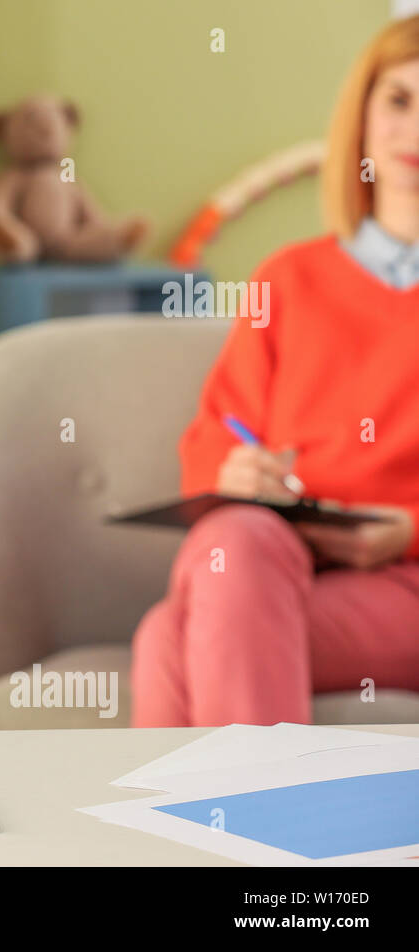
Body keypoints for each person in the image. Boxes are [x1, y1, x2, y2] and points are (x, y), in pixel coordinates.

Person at [130, 15, 419, 728]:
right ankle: (253, 821)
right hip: (276, 564)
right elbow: (215, 440)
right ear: (362, 117)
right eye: (400, 100)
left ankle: (207, 831)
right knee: (233, 540)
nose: (416, 130)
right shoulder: (288, 280)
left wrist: (406, 531)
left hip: (406, 584)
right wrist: (235, 475)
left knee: (168, 635)